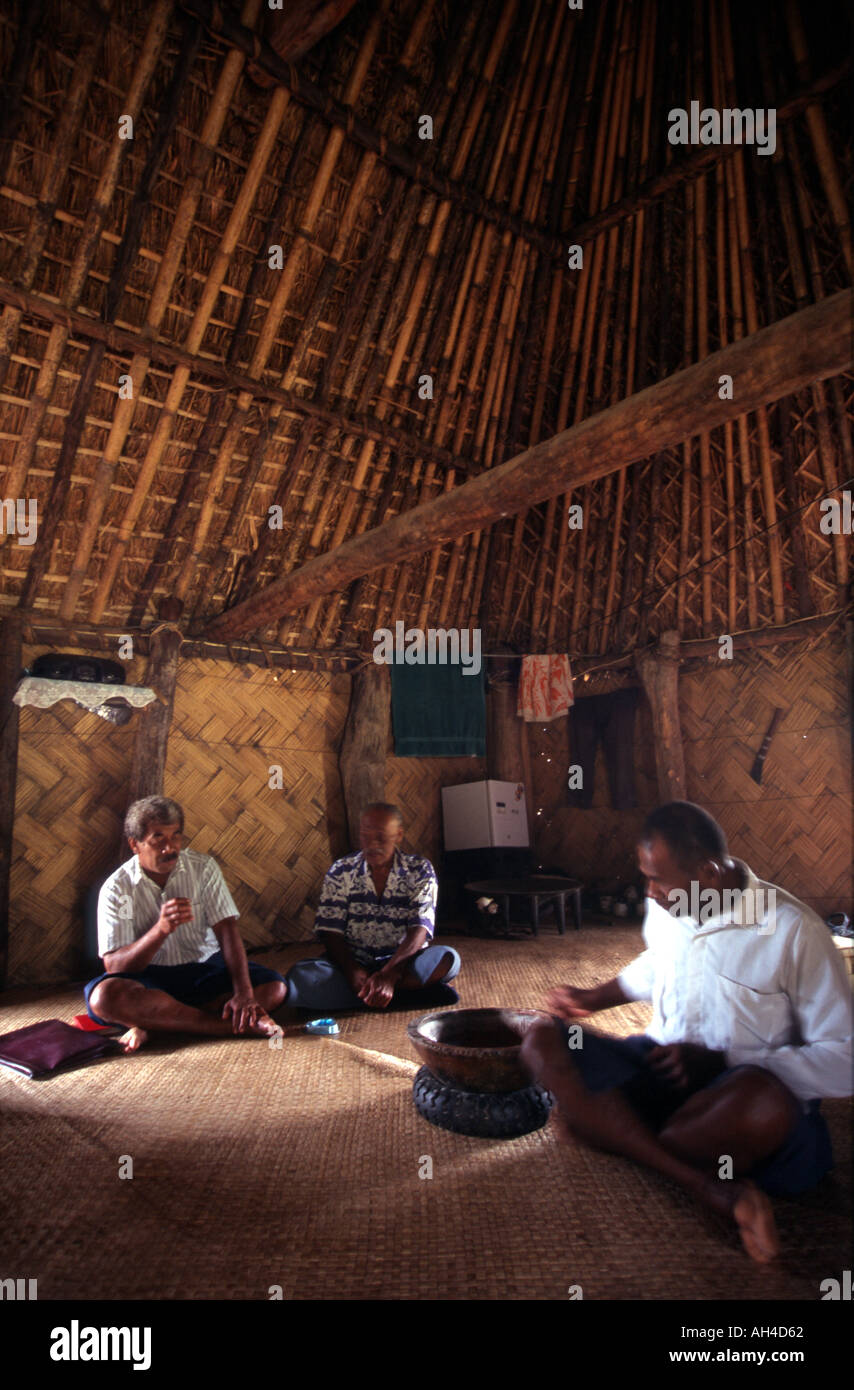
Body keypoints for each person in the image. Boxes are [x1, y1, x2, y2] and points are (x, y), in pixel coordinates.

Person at [521, 800, 853, 1263]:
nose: (650, 892)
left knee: (763, 1103)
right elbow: (662, 962)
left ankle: (616, 1129)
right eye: (645, 875)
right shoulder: (671, 904)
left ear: (710, 873)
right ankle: (706, 1185)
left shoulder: (792, 931)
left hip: (733, 1095)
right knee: (542, 1038)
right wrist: (594, 998)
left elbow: (846, 1059)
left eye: (659, 879)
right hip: (662, 1067)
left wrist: (726, 1060)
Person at [85, 796, 286, 1052]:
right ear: (135, 844)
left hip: (206, 970)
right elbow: (115, 966)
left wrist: (244, 994)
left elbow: (227, 931)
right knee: (105, 998)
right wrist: (160, 930)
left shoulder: (202, 869)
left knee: (275, 989)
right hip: (149, 979)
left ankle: (158, 1022)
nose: (170, 847)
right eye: (158, 837)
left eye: (176, 836)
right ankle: (227, 1027)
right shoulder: (118, 889)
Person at [284, 803, 461, 1011]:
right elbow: (330, 932)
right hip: (354, 963)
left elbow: (419, 930)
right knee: (301, 975)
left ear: (399, 835)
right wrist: (352, 972)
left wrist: (390, 974)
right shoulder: (341, 870)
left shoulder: (419, 870)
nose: (372, 844)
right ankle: (404, 995)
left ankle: (364, 996)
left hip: (403, 964)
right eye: (365, 836)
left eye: (381, 836)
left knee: (448, 959)